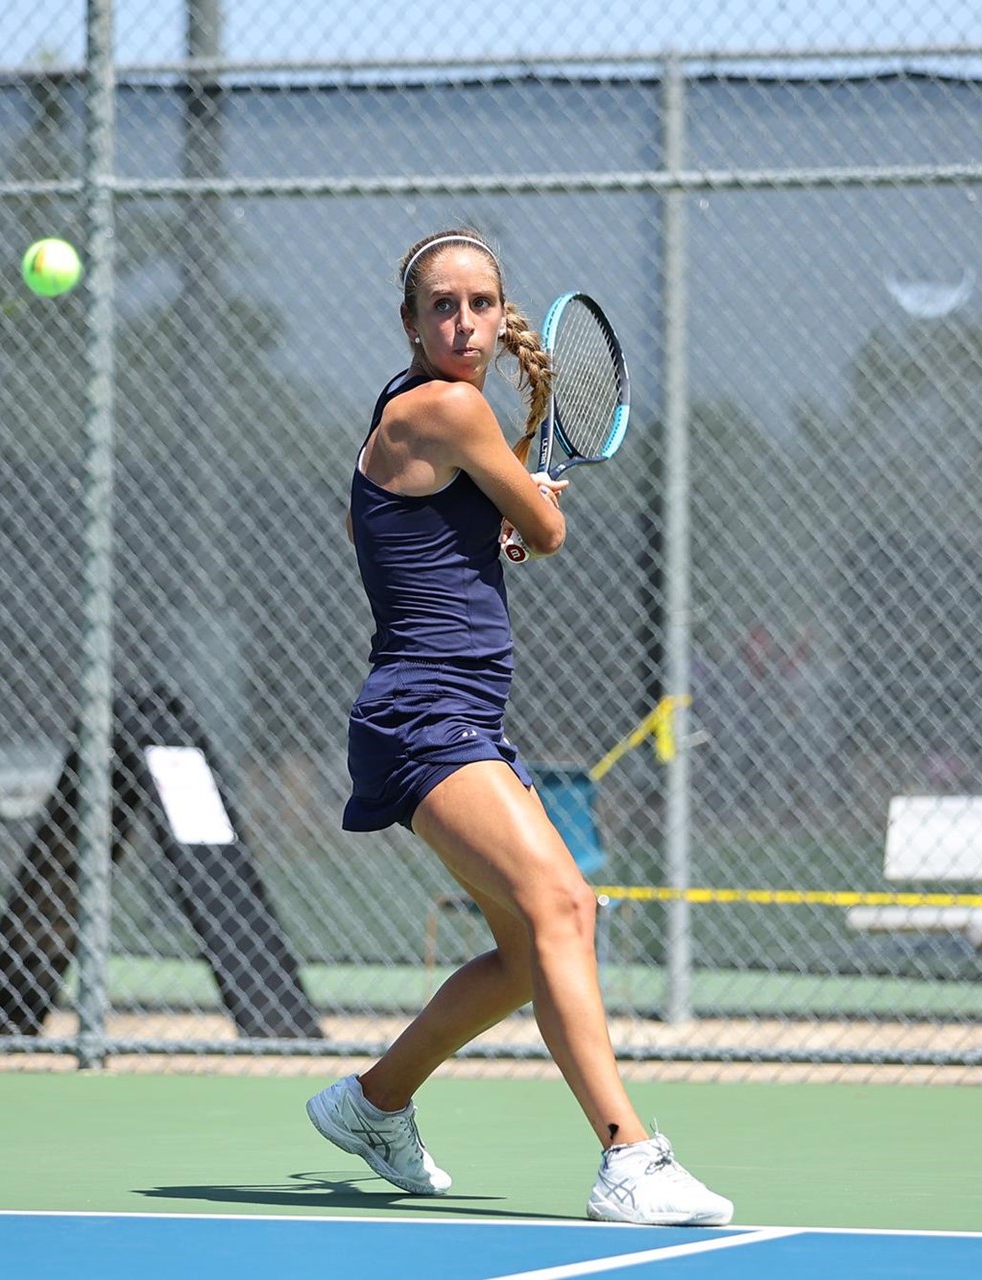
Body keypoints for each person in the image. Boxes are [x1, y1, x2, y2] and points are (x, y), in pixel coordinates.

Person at [304, 228, 733, 1227]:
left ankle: (373, 1101)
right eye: (443, 307)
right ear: (411, 322)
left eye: (481, 305)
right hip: (425, 716)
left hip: (452, 716)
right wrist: (529, 507)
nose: (464, 324)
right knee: (565, 906)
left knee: (526, 953)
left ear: (503, 318)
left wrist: (488, 513)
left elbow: (391, 530)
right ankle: (629, 1156)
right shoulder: (453, 407)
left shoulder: (411, 409)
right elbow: (548, 535)